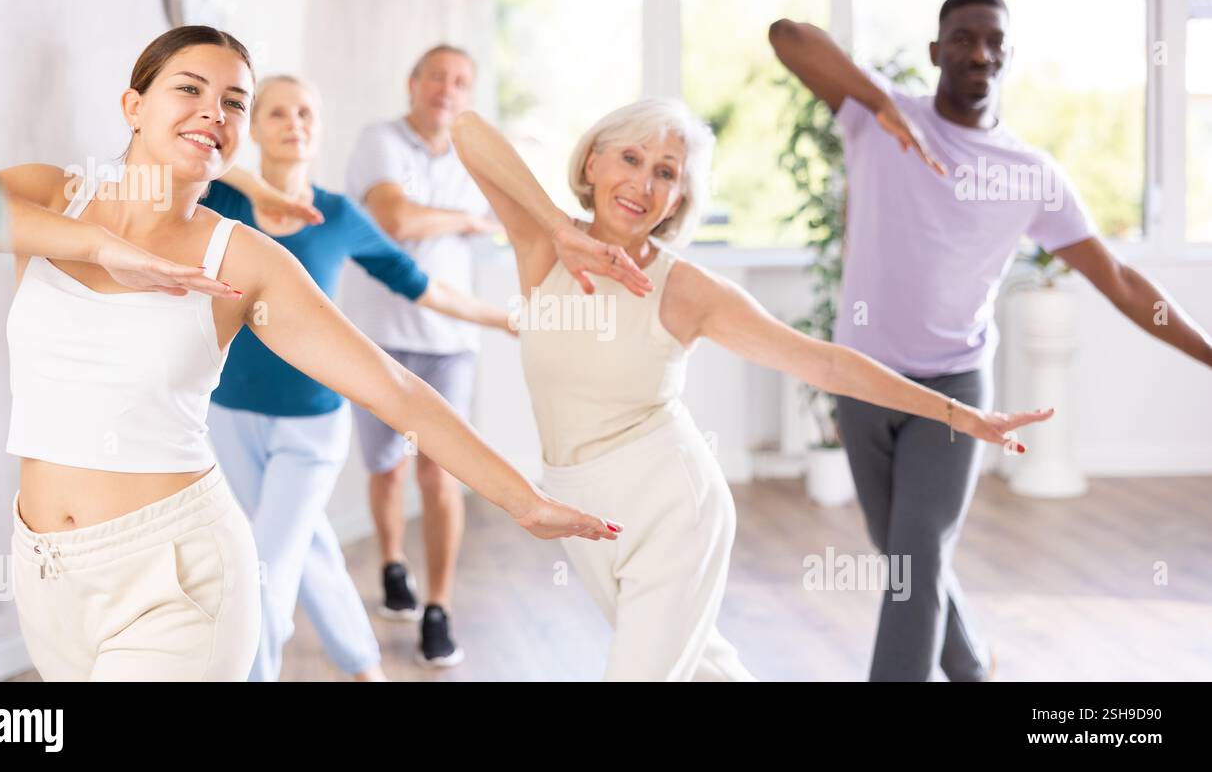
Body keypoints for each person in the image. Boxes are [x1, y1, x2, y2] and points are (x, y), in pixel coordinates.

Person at [0, 25, 618, 682]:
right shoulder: (50, 199)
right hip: (46, 571)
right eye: (189, 88)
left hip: (178, 575)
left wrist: (522, 499)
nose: (213, 111)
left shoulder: (243, 259)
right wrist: (105, 248)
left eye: (234, 102)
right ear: (134, 104)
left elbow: (391, 388)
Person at [451, 98, 1053, 681]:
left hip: (669, 506)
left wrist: (955, 412)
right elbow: (467, 129)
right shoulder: (541, 247)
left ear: (679, 198)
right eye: (629, 159)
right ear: (592, 164)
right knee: (705, 668)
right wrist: (560, 227)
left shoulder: (687, 289)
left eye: (666, 172)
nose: (643, 183)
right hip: (577, 507)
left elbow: (827, 365)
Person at [769, 0, 1212, 681]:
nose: (979, 52)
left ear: (1007, 55)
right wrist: (883, 102)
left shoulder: (1030, 174)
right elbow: (788, 35)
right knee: (903, 553)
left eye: (993, 41)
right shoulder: (874, 120)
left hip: (954, 387)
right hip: (859, 378)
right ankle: (974, 668)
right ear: (935, 50)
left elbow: (1122, 281)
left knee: (915, 556)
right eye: (963, 38)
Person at [200, 73, 514, 682]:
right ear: (253, 128)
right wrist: (242, 177)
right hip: (230, 415)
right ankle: (365, 667)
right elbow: (165, 176)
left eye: (306, 115)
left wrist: (500, 317)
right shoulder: (220, 202)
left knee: (261, 575)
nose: (294, 124)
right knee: (306, 545)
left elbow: (417, 282)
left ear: (319, 132)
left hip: (313, 426)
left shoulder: (338, 214)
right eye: (278, 114)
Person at [341, 44, 501, 667]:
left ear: (469, 95)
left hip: (450, 345)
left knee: (440, 473)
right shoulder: (378, 140)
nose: (447, 88)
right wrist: (463, 218)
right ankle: (391, 565)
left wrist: (463, 222)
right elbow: (395, 220)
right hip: (377, 338)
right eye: (437, 76)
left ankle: (438, 608)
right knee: (387, 469)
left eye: (461, 80)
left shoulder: (477, 157)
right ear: (413, 84)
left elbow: (504, 225)